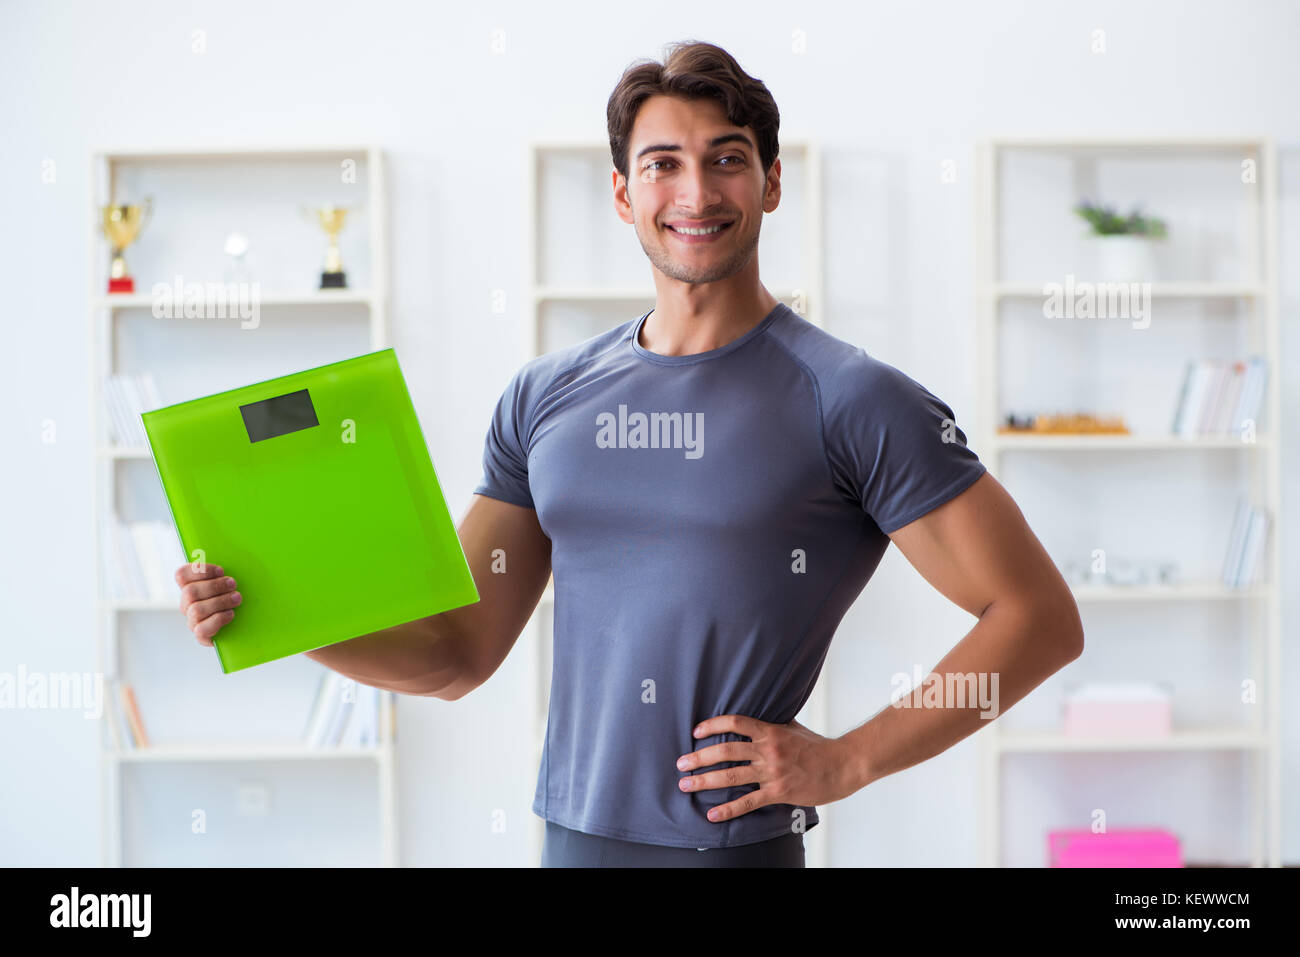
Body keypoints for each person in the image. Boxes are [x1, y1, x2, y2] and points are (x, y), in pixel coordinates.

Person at [175, 40, 1083, 868]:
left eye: (727, 159)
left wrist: (847, 760)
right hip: (570, 841)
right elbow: (456, 650)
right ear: (623, 195)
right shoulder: (545, 397)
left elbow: (1039, 616)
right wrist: (277, 610)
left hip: (730, 852)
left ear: (770, 183)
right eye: (664, 166)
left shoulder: (849, 397)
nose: (696, 193)